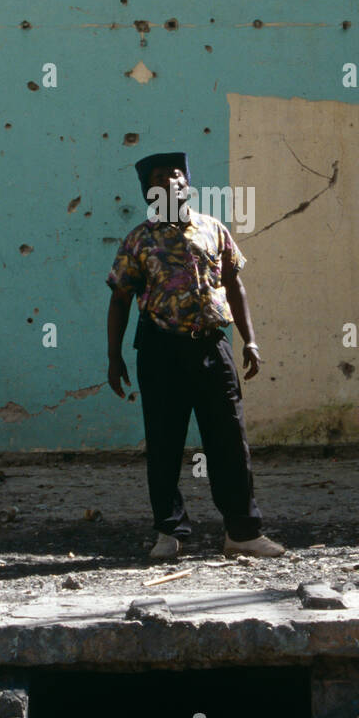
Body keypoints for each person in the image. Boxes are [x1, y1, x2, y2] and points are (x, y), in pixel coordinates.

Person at [106, 150, 284, 560]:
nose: (172, 182)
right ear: (149, 191)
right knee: (165, 442)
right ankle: (169, 532)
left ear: (189, 184)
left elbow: (235, 286)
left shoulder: (214, 230)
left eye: (178, 176)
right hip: (159, 349)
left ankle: (242, 532)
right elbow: (119, 299)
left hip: (210, 346)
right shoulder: (138, 239)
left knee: (230, 440)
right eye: (161, 178)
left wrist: (249, 340)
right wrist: (113, 357)